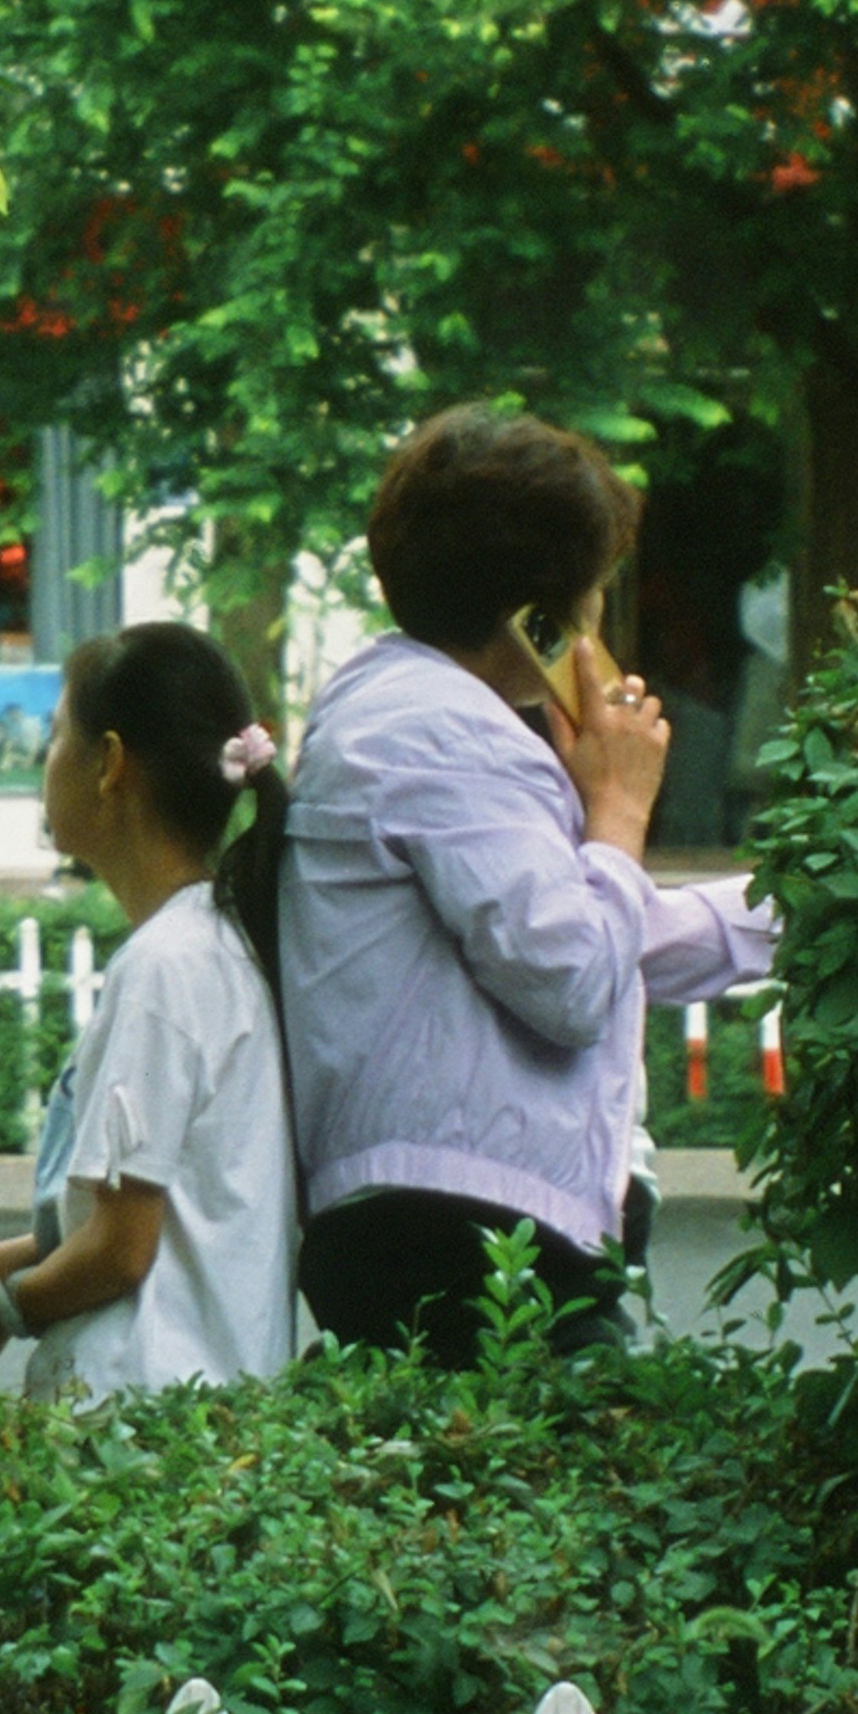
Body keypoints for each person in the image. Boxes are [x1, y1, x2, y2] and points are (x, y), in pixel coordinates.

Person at [276, 407, 774, 1359]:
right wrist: (620, 810)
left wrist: (807, 903)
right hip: (470, 1225)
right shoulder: (443, 734)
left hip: (460, 1214)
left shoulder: (418, 715)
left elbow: (609, 931)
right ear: (542, 611)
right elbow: (573, 976)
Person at [0, 623, 298, 1393]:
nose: (43, 761)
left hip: (142, 1424)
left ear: (111, 764)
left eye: (59, 734)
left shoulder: (167, 968)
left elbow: (123, 1249)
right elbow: (136, 1222)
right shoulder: (206, 947)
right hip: (194, 1418)